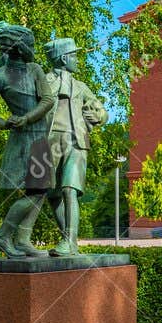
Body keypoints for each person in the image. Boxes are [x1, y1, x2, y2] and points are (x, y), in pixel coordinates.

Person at [0, 24, 58, 258]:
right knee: (36, 190)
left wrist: (26, 118)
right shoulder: (2, 75)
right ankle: (3, 237)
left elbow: (46, 100)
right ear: (23, 47)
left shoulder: (33, 70)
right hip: (25, 139)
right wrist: (2, 123)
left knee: (39, 190)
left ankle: (22, 239)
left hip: (36, 135)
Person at [40, 37, 106, 256]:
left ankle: (70, 240)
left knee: (70, 189)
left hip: (76, 141)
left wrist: (98, 115)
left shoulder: (80, 87)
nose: (78, 60)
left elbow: (101, 111)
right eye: (75, 56)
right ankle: (68, 242)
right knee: (52, 194)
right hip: (48, 142)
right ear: (64, 58)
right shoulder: (43, 82)